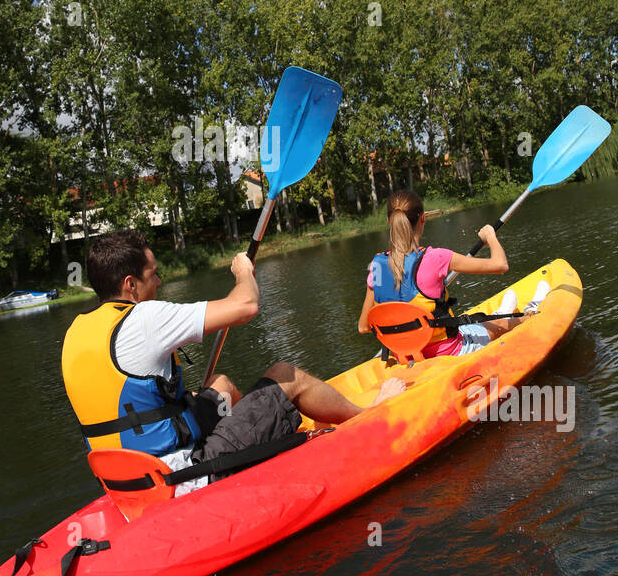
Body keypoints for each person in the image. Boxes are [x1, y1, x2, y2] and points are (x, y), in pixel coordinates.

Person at [62, 228, 404, 487]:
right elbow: (246, 306)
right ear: (130, 285)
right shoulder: (144, 319)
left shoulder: (78, 332)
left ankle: (267, 444)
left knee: (219, 385)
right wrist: (244, 272)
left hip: (131, 480)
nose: (160, 280)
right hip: (183, 475)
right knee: (287, 374)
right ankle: (367, 416)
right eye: (153, 275)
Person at [358, 190, 550, 359]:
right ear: (423, 218)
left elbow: (364, 326)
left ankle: (499, 314)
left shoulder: (378, 267)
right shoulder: (436, 258)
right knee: (501, 324)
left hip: (407, 356)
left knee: (476, 322)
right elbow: (500, 265)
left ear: (388, 222)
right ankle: (531, 312)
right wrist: (490, 236)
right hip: (449, 351)